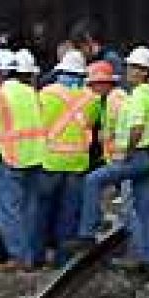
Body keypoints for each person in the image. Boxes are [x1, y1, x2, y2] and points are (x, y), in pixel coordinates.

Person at [74, 46, 149, 272]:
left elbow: (136, 127)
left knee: (93, 180)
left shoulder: (137, 97)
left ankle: (87, 234)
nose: (128, 71)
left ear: (145, 72)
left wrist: (128, 152)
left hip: (138, 155)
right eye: (129, 67)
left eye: (134, 68)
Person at [0, 49, 47, 268]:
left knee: (8, 210)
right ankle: (32, 255)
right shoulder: (31, 93)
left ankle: (19, 257)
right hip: (35, 157)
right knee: (30, 209)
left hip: (11, 159)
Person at [36, 50, 99, 266]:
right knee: (68, 213)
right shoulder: (92, 99)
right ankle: (62, 259)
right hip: (77, 164)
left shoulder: (45, 94)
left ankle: (38, 255)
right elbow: (92, 125)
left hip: (49, 161)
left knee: (42, 210)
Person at [70, 18, 125, 83]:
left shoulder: (111, 58)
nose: (81, 51)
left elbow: (120, 85)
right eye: (78, 47)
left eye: (83, 46)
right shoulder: (77, 58)